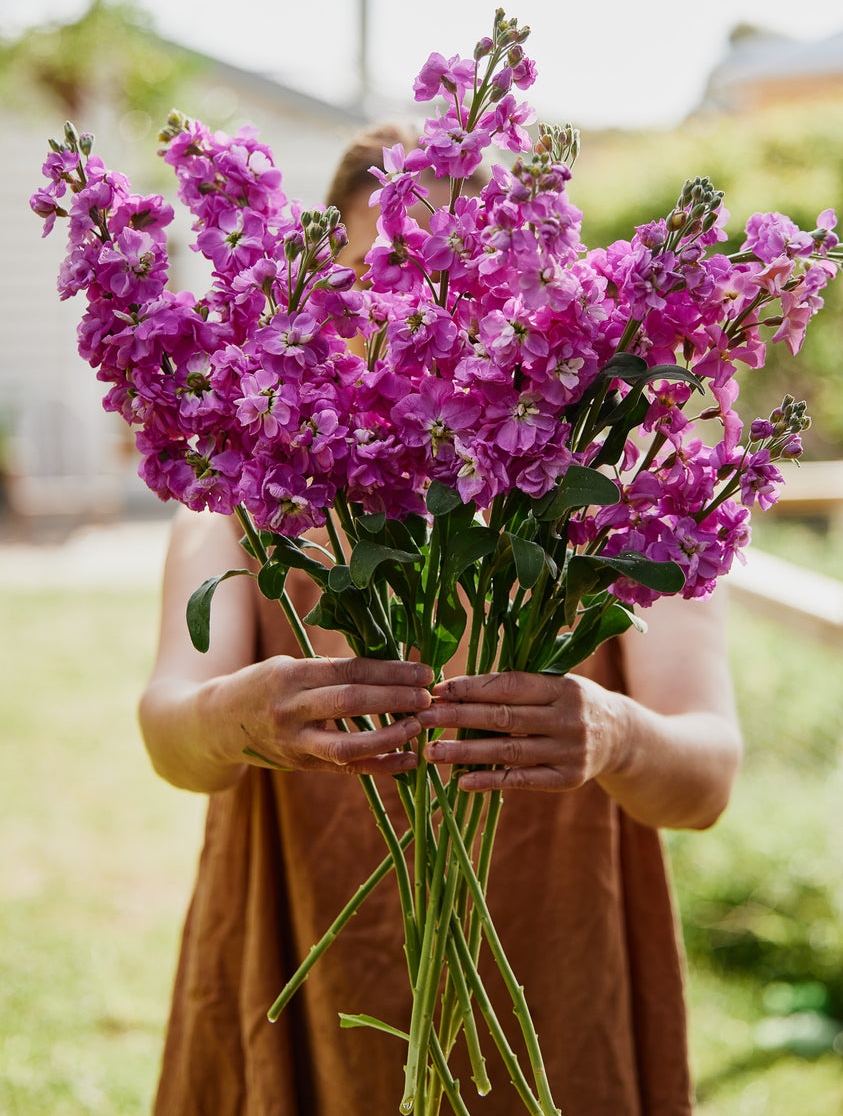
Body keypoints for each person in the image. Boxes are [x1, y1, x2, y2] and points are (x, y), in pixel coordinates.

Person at [139, 124, 743, 1116]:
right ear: (313, 300)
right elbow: (169, 734)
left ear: (514, 297)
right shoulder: (243, 501)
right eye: (371, 291)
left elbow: (708, 775)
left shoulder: (614, 491)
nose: (411, 320)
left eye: (447, 290)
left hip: (554, 939)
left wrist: (616, 733)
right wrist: (233, 717)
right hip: (304, 925)